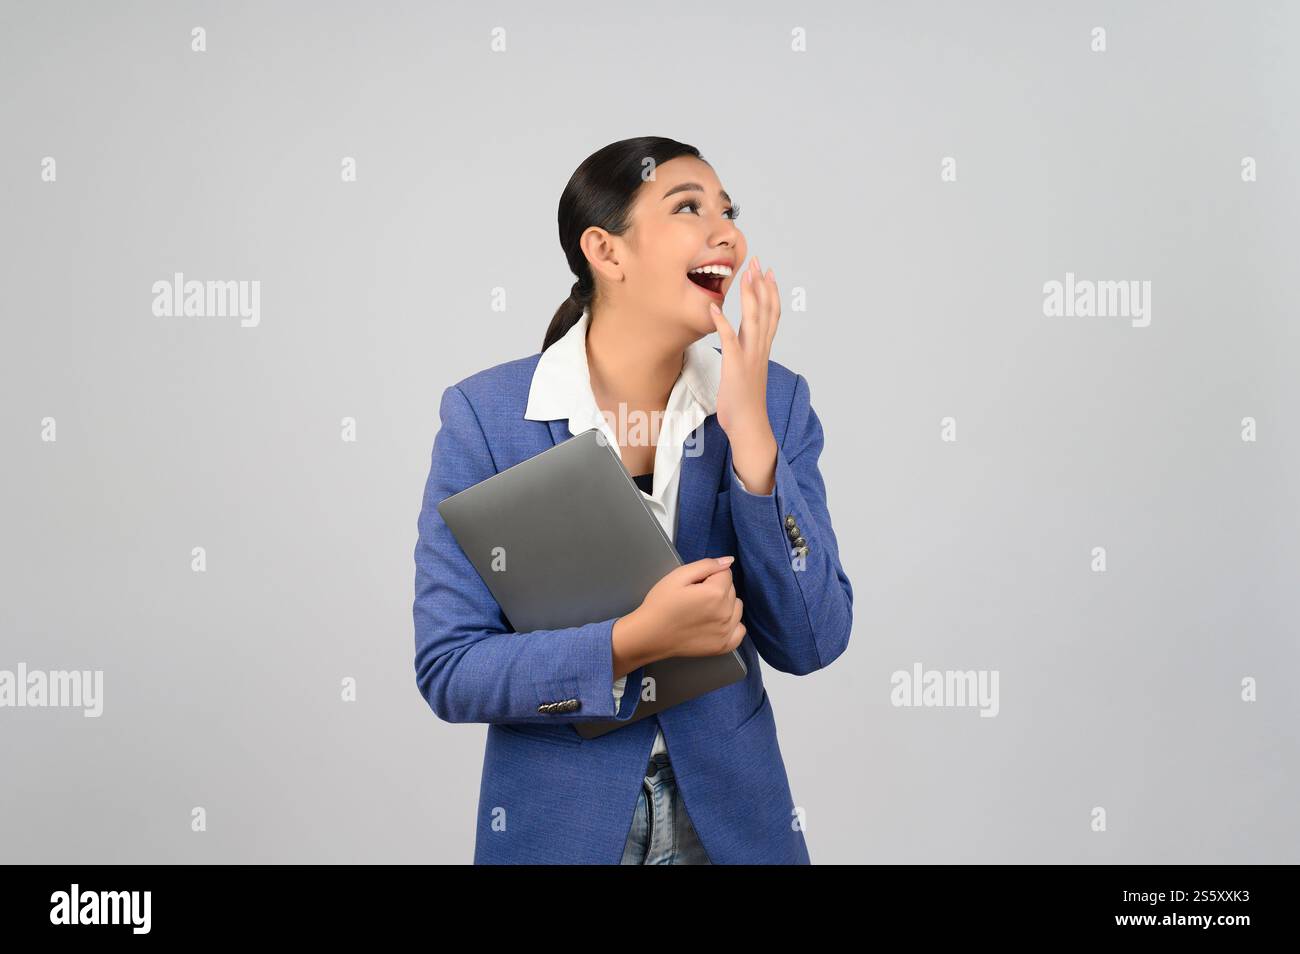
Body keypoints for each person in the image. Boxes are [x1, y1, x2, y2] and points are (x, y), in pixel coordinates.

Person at [413, 136, 854, 864]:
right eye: (689, 207)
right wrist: (634, 641)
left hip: (734, 825)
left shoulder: (776, 401)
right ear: (606, 252)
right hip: (560, 826)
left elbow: (814, 641)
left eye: (730, 212)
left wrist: (753, 449)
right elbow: (451, 669)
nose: (729, 234)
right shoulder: (487, 417)